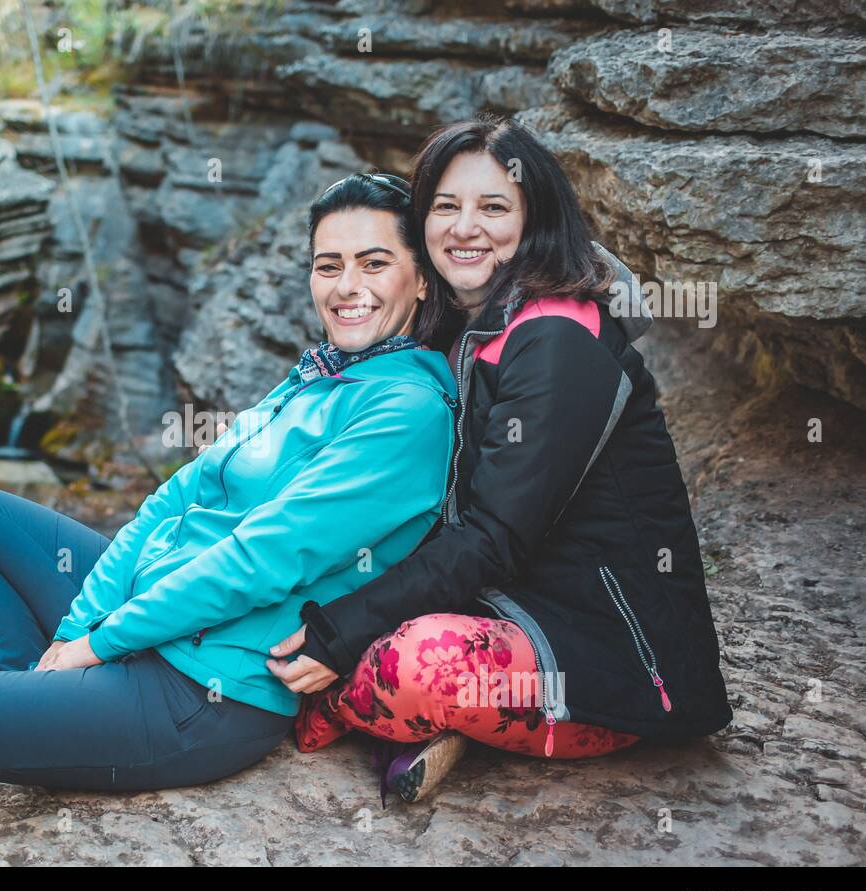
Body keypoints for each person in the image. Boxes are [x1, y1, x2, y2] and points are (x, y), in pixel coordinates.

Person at [0, 172, 459, 803]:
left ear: (423, 277)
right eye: (329, 265)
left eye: (374, 263)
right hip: (155, 614)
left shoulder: (405, 412)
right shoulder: (319, 376)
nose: (347, 286)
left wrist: (100, 643)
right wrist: (74, 637)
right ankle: (28, 713)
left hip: (203, 691)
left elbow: (257, 560)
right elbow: (175, 498)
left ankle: (7, 726)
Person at [268, 116, 734, 805]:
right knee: (314, 601)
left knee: (409, 663)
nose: (465, 227)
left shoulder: (556, 337)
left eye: (493, 207)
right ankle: (439, 732)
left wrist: (337, 637)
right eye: (446, 206)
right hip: (504, 606)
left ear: (533, 218)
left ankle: (356, 714)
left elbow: (492, 534)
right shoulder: (466, 323)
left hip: (608, 658)